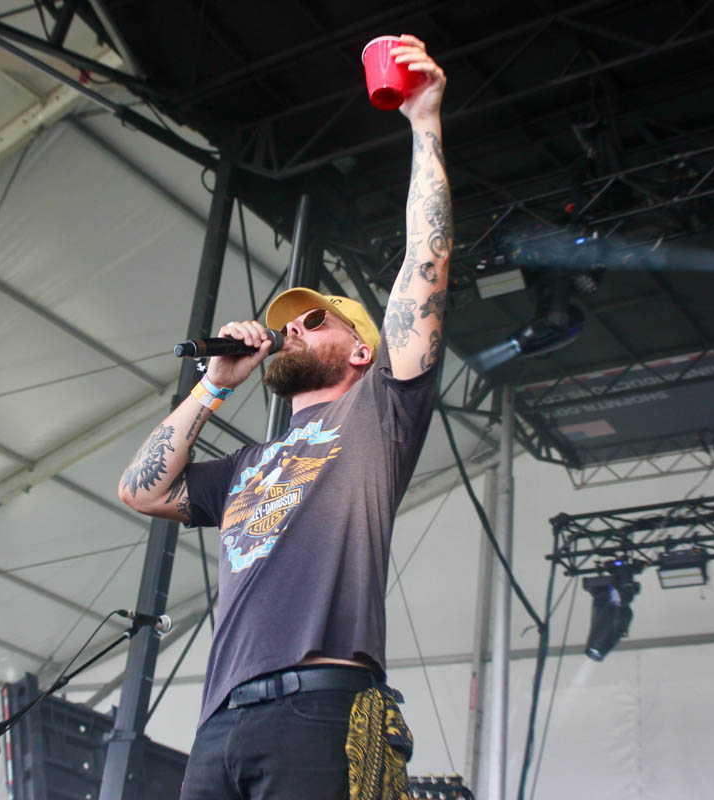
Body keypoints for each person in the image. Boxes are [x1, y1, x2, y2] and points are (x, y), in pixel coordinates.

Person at [118, 34, 450, 800]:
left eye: (317, 322)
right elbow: (141, 491)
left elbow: (423, 266)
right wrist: (213, 387)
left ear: (363, 351)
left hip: (320, 711)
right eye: (291, 322)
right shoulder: (243, 468)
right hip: (220, 724)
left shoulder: (378, 414)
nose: (293, 328)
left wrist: (424, 122)